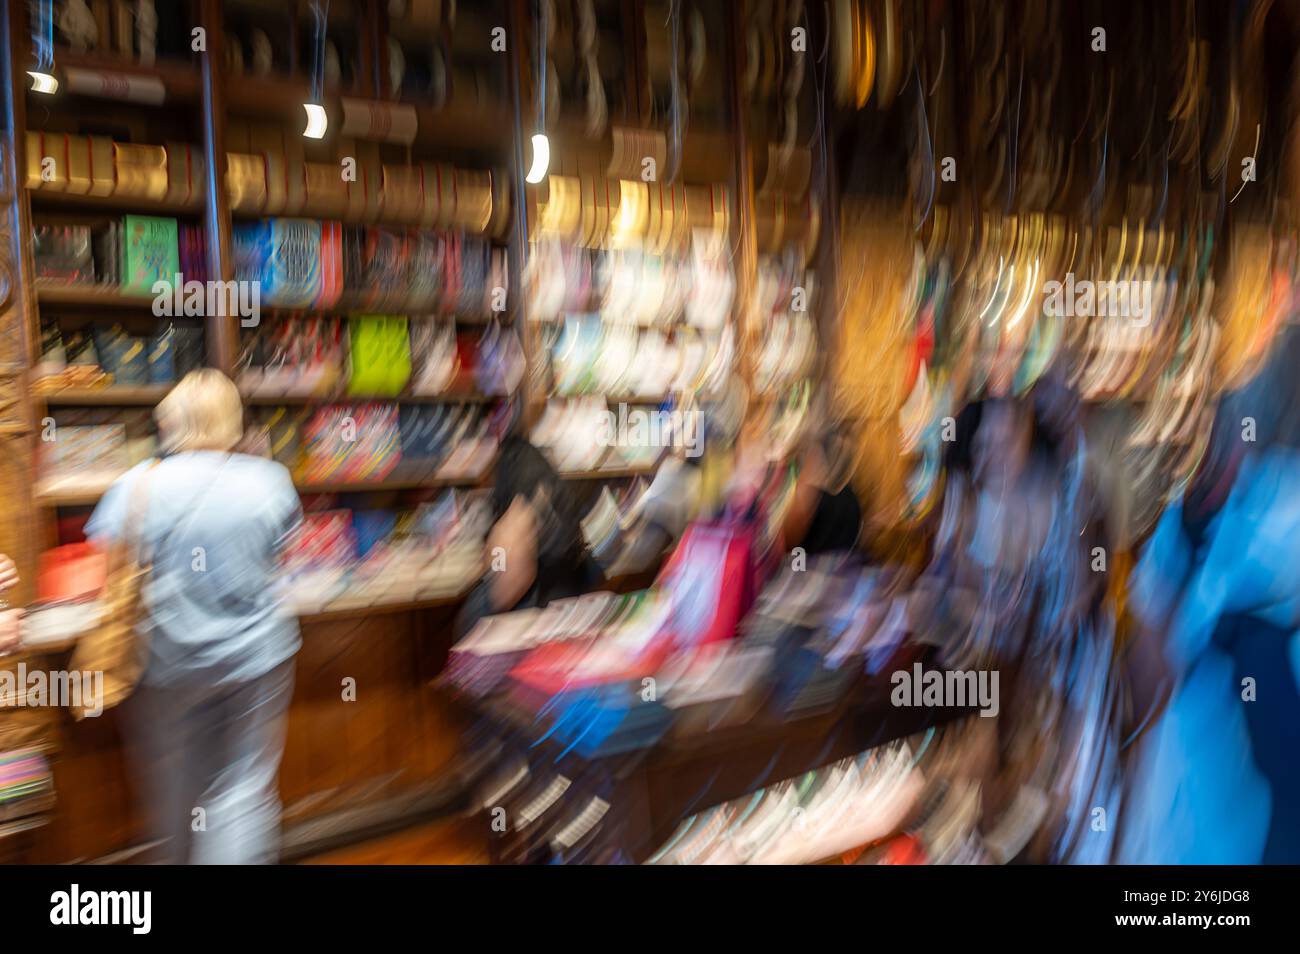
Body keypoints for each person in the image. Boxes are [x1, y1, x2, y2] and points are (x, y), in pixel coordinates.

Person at [85, 369, 302, 864]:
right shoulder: (270, 480)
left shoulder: (135, 487)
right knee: (244, 791)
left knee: (175, 793)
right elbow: (278, 559)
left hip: (169, 665)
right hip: (258, 660)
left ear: (170, 422)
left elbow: (110, 577)